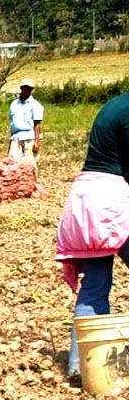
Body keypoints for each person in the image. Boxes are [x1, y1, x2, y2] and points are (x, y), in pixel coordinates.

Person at [56, 92, 129, 379]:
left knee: (95, 286)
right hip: (109, 201)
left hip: (85, 199)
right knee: (97, 286)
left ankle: (81, 366)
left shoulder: (115, 106)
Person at [9, 80, 44, 161]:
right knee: (13, 162)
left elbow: (37, 125)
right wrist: (10, 140)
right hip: (16, 137)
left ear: (31, 89)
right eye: (24, 87)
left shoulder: (35, 105)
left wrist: (36, 142)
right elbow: (12, 123)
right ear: (21, 88)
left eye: (28, 88)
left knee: (29, 164)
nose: (26, 90)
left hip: (29, 137)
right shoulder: (14, 104)